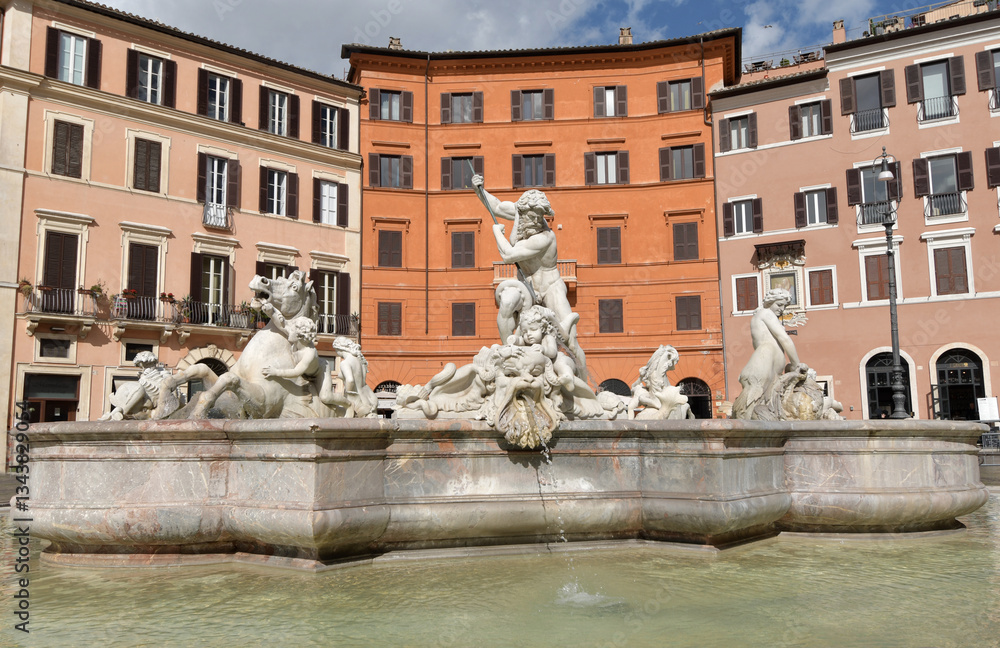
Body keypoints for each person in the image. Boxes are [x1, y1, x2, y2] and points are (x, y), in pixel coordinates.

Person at [471, 174, 586, 375]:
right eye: (532, 216)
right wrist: (479, 190)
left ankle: (584, 386)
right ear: (522, 212)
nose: (536, 220)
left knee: (571, 339)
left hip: (551, 287)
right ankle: (510, 350)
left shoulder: (545, 237)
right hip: (526, 286)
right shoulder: (518, 213)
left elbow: (508, 254)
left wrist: (497, 232)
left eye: (540, 216)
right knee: (507, 302)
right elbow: (496, 207)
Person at [731, 288, 801, 419]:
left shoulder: (766, 316)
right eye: (779, 305)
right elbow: (784, 338)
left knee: (763, 407)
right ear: (770, 302)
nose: (782, 309)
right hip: (765, 363)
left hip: (771, 368)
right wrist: (797, 363)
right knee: (752, 405)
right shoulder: (765, 313)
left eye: (784, 306)